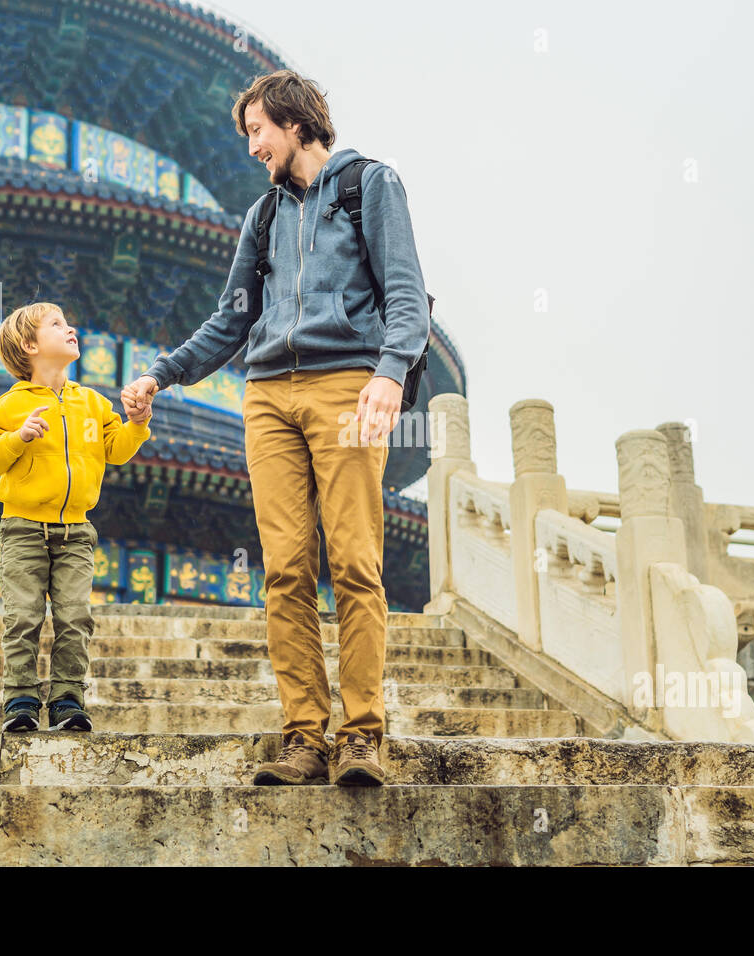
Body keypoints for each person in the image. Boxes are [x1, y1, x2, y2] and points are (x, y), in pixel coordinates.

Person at [120, 70, 430, 786]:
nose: (252, 146)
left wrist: (387, 374)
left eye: (257, 130)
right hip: (266, 397)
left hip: (346, 387)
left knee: (354, 563)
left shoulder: (369, 186)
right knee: (286, 570)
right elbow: (231, 319)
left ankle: (361, 736)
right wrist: (160, 375)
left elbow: (407, 294)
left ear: (294, 122)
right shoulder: (259, 218)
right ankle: (302, 737)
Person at [0, 301, 152, 732]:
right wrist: (19, 438)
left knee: (75, 617)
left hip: (76, 531)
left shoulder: (92, 403)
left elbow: (117, 449)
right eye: (57, 324)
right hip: (21, 529)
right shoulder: (9, 405)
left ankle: (68, 700)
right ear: (30, 345)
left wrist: (138, 422)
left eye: (69, 322)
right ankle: (19, 701)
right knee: (23, 617)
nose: (71, 328)